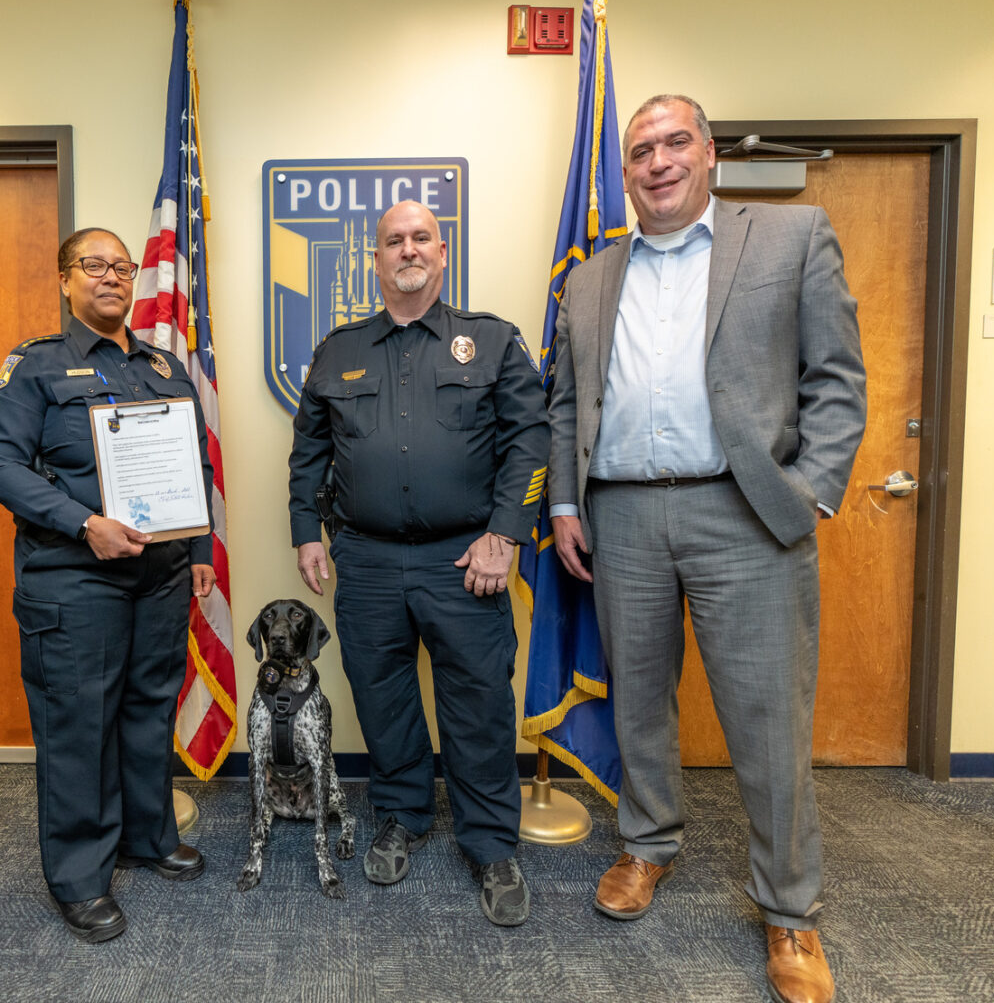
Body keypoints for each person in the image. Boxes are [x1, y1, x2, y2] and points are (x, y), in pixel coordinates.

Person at [547, 94, 866, 1003]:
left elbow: (837, 379)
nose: (657, 162)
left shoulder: (791, 238)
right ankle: (647, 847)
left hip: (748, 514)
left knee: (768, 720)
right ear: (626, 171)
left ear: (709, 152)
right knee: (640, 702)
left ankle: (790, 912)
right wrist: (566, 501)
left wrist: (812, 494)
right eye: (640, 149)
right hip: (626, 518)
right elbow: (569, 403)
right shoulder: (590, 278)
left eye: (674, 141)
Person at [287, 200, 549, 927]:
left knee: (479, 705)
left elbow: (531, 444)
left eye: (420, 238)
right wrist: (306, 529)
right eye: (392, 241)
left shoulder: (491, 342)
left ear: (442, 252)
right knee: (383, 698)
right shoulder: (338, 350)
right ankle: (402, 815)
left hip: (466, 558)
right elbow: (309, 451)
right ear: (376, 260)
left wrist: (506, 534)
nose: (407, 250)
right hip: (366, 560)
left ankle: (491, 845)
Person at [0, 227, 215, 944]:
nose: (111, 277)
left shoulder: (164, 366)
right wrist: (84, 522)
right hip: (76, 578)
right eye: (93, 265)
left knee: (146, 710)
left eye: (121, 266)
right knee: (79, 726)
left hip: (160, 576)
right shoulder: (37, 368)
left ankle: (148, 835)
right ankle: (79, 877)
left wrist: (198, 548)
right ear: (65, 279)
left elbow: (191, 469)